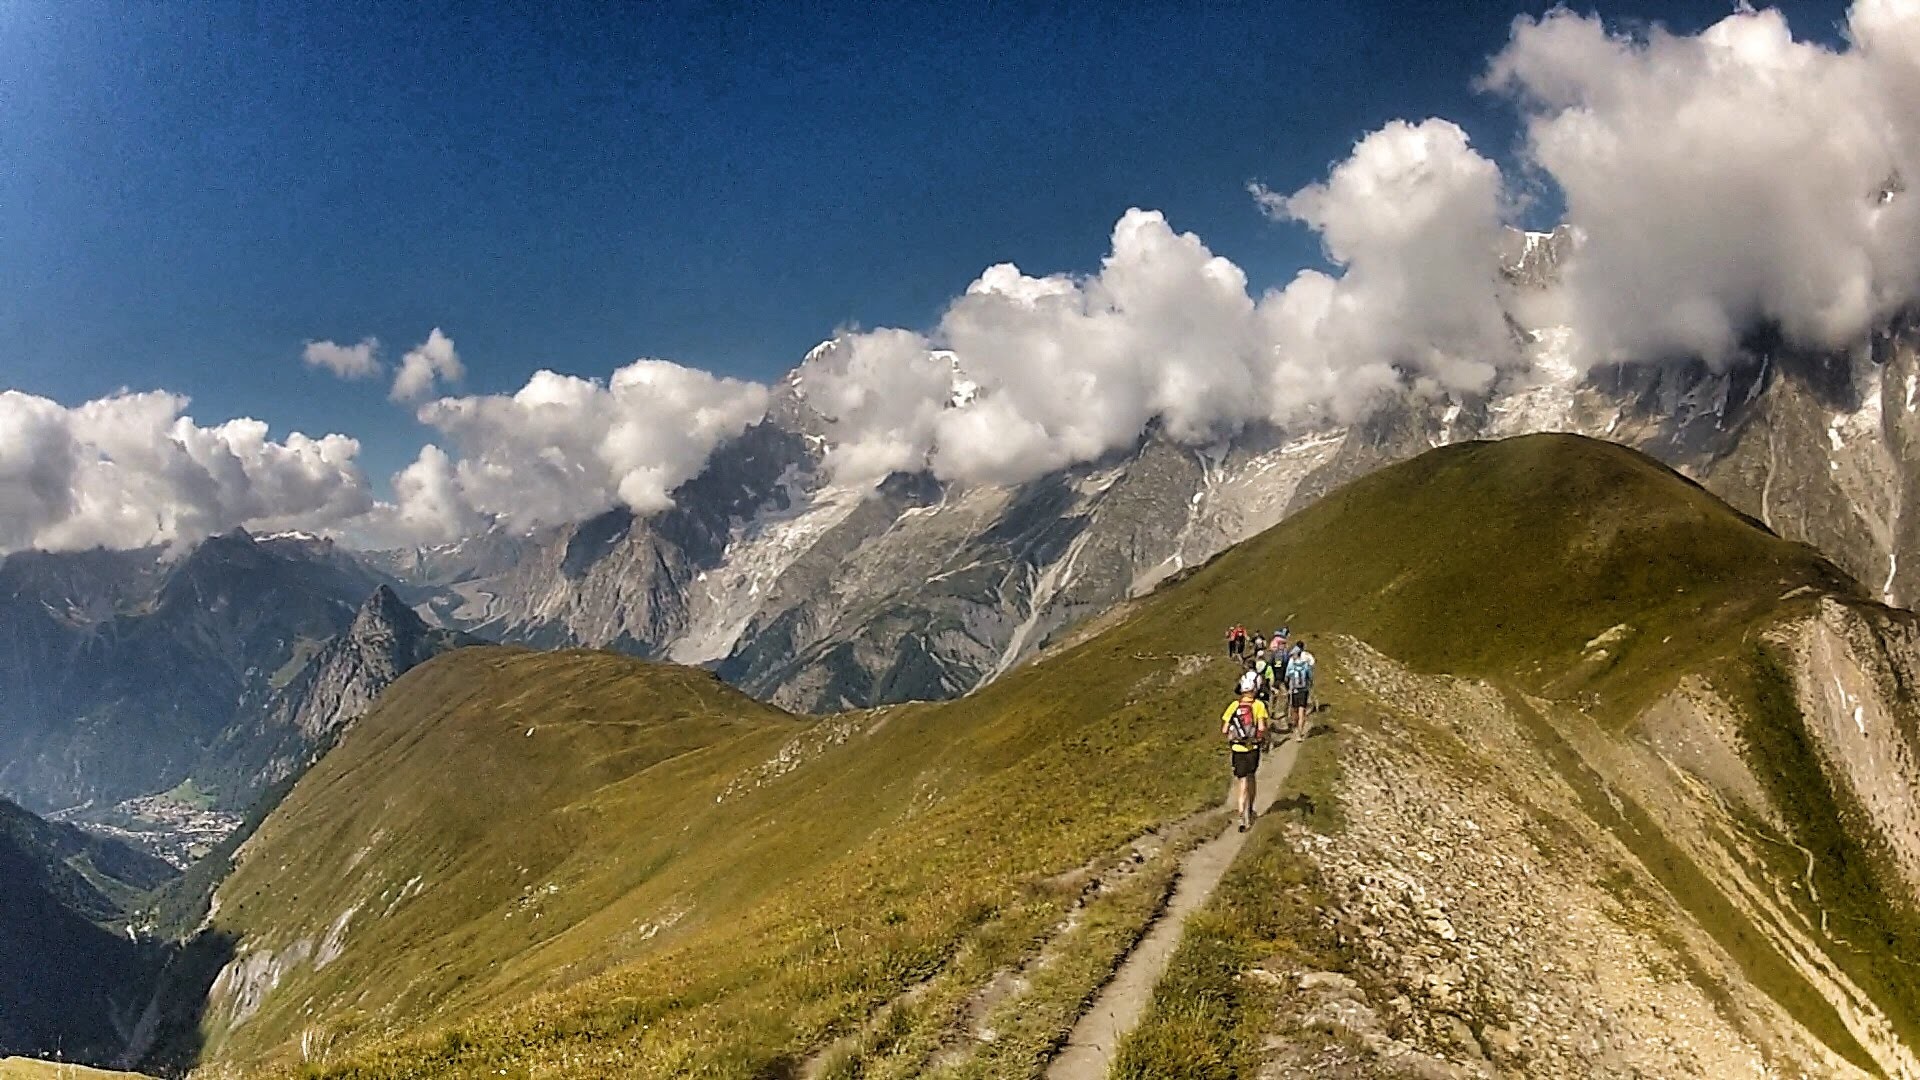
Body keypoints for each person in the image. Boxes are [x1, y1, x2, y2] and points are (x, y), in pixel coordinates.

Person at [1221, 677, 1270, 832]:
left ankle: (1241, 813)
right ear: (1254, 690)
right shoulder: (1258, 705)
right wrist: (1261, 739)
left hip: (1237, 749)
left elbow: (1224, 729)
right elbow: (1261, 727)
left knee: (1242, 781)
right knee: (1251, 777)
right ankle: (1250, 810)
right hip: (1252, 748)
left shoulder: (1234, 706)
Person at [1285, 639, 1316, 737]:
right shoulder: (1306, 663)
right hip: (1304, 689)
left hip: (1294, 689)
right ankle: (1300, 733)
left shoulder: (1291, 663)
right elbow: (1310, 675)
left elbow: (1287, 675)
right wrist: (1310, 684)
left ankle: (1294, 723)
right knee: (1302, 711)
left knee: (1294, 709)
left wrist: (1288, 685)